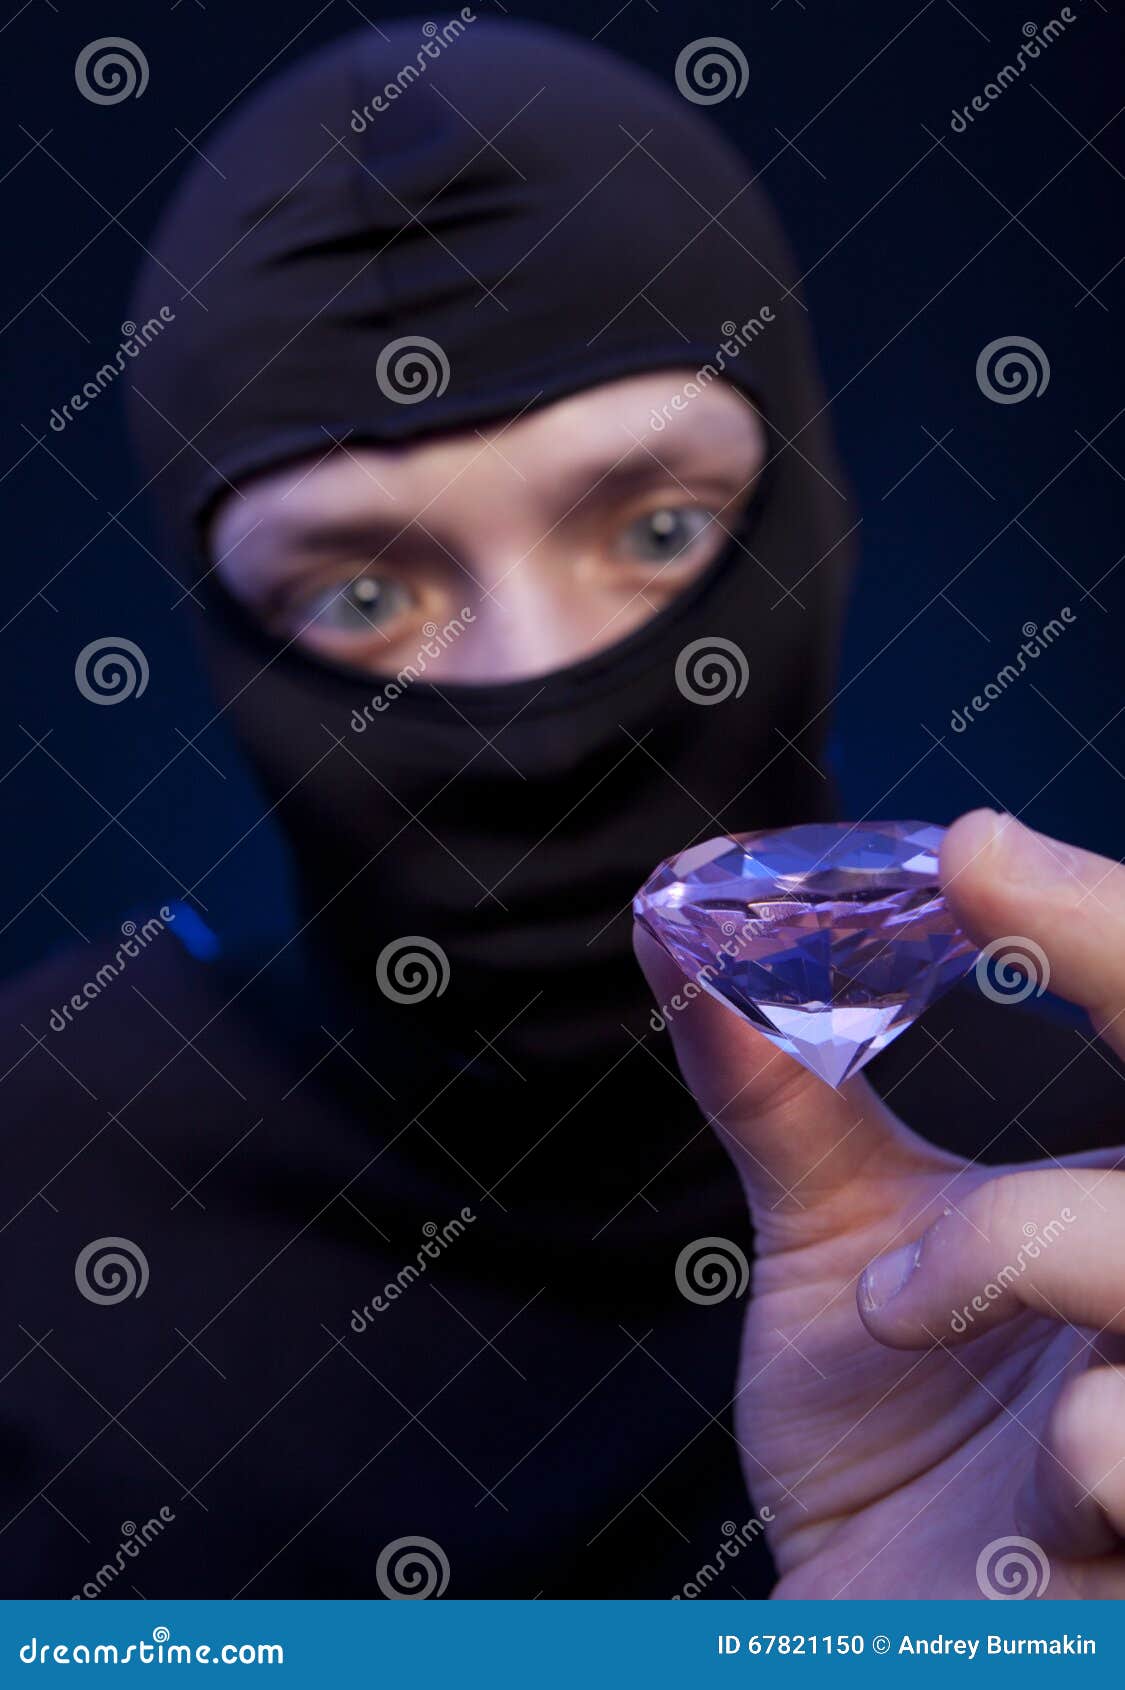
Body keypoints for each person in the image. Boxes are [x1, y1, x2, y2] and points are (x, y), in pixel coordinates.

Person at [0, 20, 1118, 1600]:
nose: (533, 696)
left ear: (811, 508)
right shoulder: (35, 1185)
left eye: (657, 526)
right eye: (366, 588)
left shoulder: (1092, 1177)